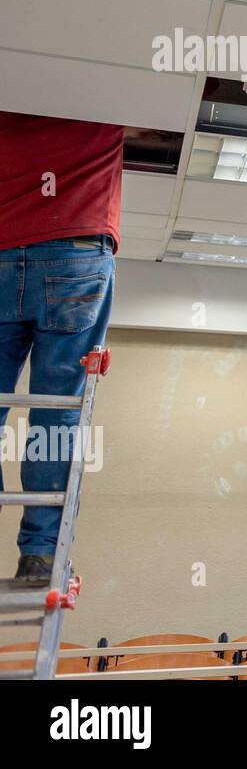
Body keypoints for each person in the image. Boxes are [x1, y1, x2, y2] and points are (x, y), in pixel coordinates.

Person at [0, 112, 122, 582]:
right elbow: (196, 90)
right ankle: (41, 555)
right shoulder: (109, 90)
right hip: (74, 250)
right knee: (56, 414)